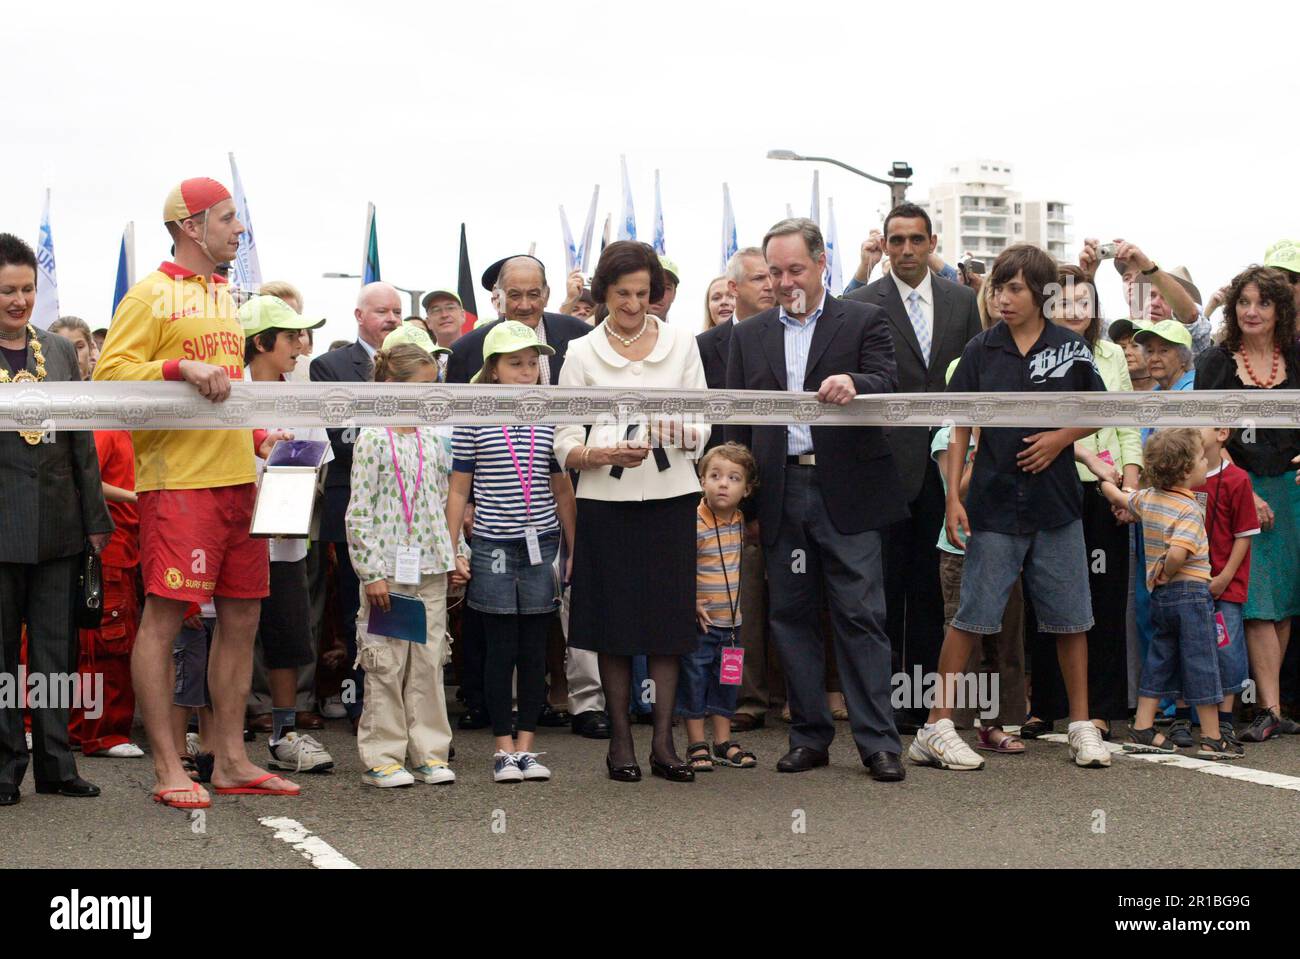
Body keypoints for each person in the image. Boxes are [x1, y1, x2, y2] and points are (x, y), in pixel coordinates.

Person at [95, 178, 296, 808]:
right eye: (230, 219)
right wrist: (179, 368)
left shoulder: (222, 292)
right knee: (165, 619)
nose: (240, 229)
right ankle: (167, 767)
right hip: (178, 485)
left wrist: (261, 434)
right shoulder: (150, 294)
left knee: (243, 617)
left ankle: (231, 759)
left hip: (238, 478)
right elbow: (109, 378)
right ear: (192, 225)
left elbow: (228, 385)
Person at [725, 218, 908, 783]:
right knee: (790, 618)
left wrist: (857, 382)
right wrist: (747, 507)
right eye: (775, 272)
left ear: (822, 262)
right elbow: (735, 420)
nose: (784, 281)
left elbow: (889, 379)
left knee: (861, 616)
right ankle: (808, 737)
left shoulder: (864, 318)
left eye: (795, 269)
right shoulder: (749, 334)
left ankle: (880, 744)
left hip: (847, 492)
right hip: (780, 491)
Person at [916, 244, 1112, 771]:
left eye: (1015, 288)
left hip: (1057, 504)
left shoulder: (1072, 349)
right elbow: (958, 426)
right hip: (993, 504)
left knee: (1072, 619)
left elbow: (1100, 409)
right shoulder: (979, 351)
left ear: (1042, 294)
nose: (1003, 298)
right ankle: (934, 726)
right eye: (998, 287)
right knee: (970, 617)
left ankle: (1080, 726)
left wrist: (1059, 439)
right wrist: (953, 496)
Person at [554, 240, 710, 783]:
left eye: (643, 293)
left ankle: (665, 743)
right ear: (604, 293)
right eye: (623, 294)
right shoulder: (580, 352)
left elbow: (705, 422)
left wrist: (676, 431)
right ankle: (620, 742)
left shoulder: (682, 343)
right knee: (615, 624)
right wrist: (597, 454)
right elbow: (564, 435)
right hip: (605, 500)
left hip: (671, 496)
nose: (634, 304)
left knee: (668, 624)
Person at [448, 255, 610, 740]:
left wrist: (575, 538)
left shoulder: (577, 336)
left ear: (547, 291)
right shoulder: (467, 349)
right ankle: (490, 713)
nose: (524, 303)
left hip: (559, 498)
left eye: (533, 293)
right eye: (512, 295)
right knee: (497, 629)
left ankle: (572, 701)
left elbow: (564, 468)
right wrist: (459, 529)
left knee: (551, 619)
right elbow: (460, 462)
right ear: (496, 297)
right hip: (492, 519)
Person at [844, 203, 982, 732]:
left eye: (915, 240)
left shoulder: (963, 301)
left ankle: (925, 707)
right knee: (882, 589)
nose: (905, 250)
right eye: (896, 240)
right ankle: (879, 705)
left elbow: (971, 381)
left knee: (934, 589)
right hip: (883, 464)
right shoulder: (859, 303)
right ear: (885, 243)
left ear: (931, 243)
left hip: (948, 467)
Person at [0, 233, 113, 806]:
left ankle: (56, 763)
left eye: (26, 290)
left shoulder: (61, 351)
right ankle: (4, 766)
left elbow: (81, 441)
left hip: (59, 526)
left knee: (55, 651)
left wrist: (95, 519)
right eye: (6, 292)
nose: (18, 302)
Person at [446, 322, 576, 783]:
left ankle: (528, 747)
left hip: (541, 543)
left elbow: (562, 490)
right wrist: (453, 547)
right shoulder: (473, 415)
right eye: (514, 363)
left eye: (532, 364)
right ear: (494, 369)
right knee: (500, 648)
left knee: (535, 647)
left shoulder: (550, 415)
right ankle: (502, 748)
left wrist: (572, 549)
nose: (525, 372)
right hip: (493, 545)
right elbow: (458, 489)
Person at [1025, 265, 1141, 740]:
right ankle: (1046, 705)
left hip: (1107, 491)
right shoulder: (1034, 353)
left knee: (1105, 600)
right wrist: (1084, 455)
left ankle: (1098, 707)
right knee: (1046, 597)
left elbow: (1127, 420)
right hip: (1049, 482)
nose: (1075, 311)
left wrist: (1128, 486)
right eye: (1064, 302)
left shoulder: (1111, 353)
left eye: (1084, 302)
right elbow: (1034, 424)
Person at [1194, 265, 1300, 741]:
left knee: (1283, 601)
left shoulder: (1296, 357)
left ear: (1280, 310)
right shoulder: (1217, 362)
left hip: (1292, 490)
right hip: (1238, 488)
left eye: (1263, 303)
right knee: (1255, 601)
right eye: (1243, 302)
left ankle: (1270, 706)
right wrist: (1243, 487)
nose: (1251, 311)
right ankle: (1271, 708)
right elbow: (1203, 433)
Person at [346, 344, 458, 787]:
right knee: (386, 663)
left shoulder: (433, 437)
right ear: (392, 387)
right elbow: (359, 510)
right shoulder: (373, 437)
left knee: (429, 662)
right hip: (388, 571)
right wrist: (370, 571)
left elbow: (442, 497)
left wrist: (457, 550)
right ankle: (383, 756)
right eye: (421, 387)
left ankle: (430, 751)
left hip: (429, 565)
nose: (429, 396)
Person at [1095, 430, 1242, 759]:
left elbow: (1119, 498)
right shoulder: (1189, 510)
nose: (1207, 462)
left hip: (1161, 598)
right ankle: (1212, 735)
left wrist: (1104, 480)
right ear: (1186, 470)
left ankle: (1144, 725)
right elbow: (1178, 553)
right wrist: (1168, 569)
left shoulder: (1148, 498)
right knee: (1202, 661)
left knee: (1161, 657)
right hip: (1190, 593)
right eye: (1202, 459)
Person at [240, 294, 335, 774]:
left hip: (285, 542)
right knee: (223, 639)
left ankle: (282, 733)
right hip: (231, 539)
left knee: (286, 638)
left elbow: (320, 466)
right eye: (291, 336)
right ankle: (204, 734)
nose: (301, 345)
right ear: (260, 342)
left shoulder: (303, 395)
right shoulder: (226, 392)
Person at [309, 281, 404, 731]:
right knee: (356, 606)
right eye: (382, 311)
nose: (391, 319)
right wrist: (391, 436)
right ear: (359, 316)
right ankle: (359, 700)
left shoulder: (412, 362)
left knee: (403, 602)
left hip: (408, 506)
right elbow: (340, 439)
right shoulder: (329, 366)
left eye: (398, 311)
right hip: (354, 504)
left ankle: (399, 699)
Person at [696, 247, 774, 731]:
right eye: (759, 278)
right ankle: (736, 702)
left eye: (774, 276)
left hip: (776, 486)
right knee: (728, 604)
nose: (770, 285)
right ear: (732, 289)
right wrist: (719, 491)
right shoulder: (705, 347)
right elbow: (709, 427)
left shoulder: (787, 336)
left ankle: (777, 694)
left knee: (777, 603)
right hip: (722, 499)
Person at [931, 360, 1027, 751]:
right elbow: (960, 492)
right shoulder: (945, 437)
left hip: (1007, 545)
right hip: (961, 551)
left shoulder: (1011, 431)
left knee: (1006, 639)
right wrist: (985, 445)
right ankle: (952, 725)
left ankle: (1000, 723)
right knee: (963, 635)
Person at [679, 443, 759, 772]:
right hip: (702, 624)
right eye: (715, 476)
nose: (723, 483)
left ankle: (723, 741)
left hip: (732, 626)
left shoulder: (740, 522)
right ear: (701, 481)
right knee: (694, 679)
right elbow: (677, 567)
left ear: (747, 489)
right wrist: (689, 600)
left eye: (733, 478)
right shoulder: (693, 523)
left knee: (727, 683)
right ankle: (696, 743)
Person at [1192, 426, 1258, 745]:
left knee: (1227, 650)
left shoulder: (1238, 479)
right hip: (1189, 581)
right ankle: (1184, 717)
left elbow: (1245, 534)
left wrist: (1224, 578)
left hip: (1226, 586)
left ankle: (1225, 720)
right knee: (1189, 646)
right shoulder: (1186, 476)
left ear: (1221, 433)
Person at [1089, 238, 1211, 355]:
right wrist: (1086, 275)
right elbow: (1083, 323)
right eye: (1151, 295)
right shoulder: (1120, 334)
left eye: (1166, 298)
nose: (1155, 303)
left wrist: (1148, 266)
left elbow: (1191, 317)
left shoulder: (1189, 341)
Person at [1107, 319, 1155, 391]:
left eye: (1134, 346)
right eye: (1122, 347)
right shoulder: (1108, 387)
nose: (1126, 352)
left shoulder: (1170, 387)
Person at [49, 316, 98, 380]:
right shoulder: (38, 388)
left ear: (90, 349)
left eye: (80, 347)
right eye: (64, 348)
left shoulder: (105, 386)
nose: (73, 354)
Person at [422, 288, 466, 353]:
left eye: (450, 308)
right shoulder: (423, 360)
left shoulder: (479, 353)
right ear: (428, 322)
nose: (444, 315)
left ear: (463, 315)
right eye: (436, 310)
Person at [649, 256, 680, 322]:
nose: (659, 293)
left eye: (667, 288)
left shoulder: (680, 332)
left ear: (674, 294)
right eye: (654, 285)